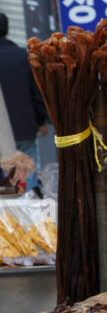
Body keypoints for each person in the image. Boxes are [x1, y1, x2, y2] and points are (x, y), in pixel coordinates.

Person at [0, 12, 50, 189]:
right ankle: (25, 211)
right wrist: (41, 120)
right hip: (23, 128)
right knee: (24, 175)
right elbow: (37, 92)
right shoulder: (23, 56)